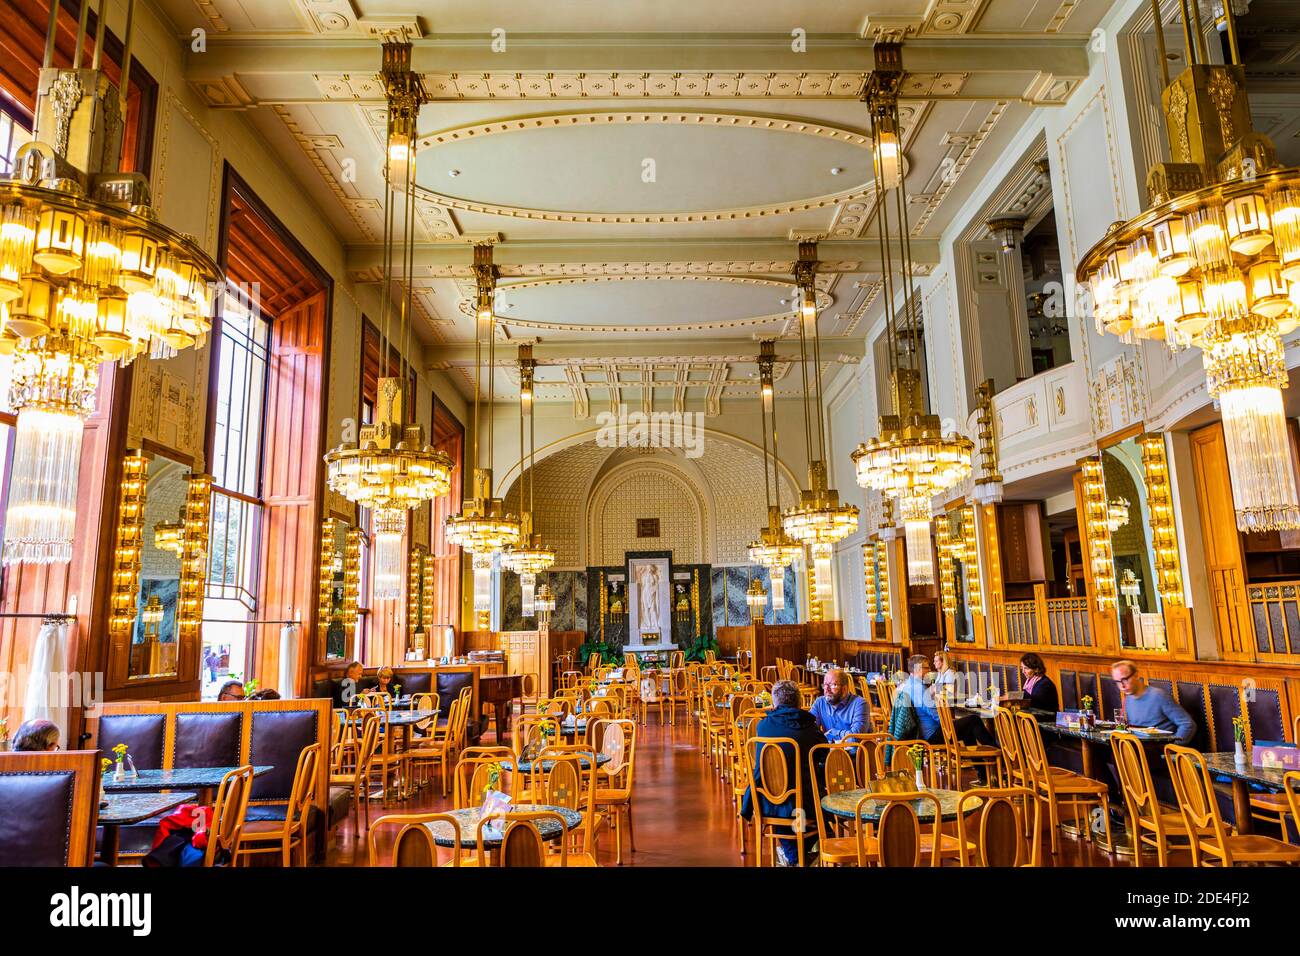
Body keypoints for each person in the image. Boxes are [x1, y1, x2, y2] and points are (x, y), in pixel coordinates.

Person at [739, 679, 827, 866]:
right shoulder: (811, 729)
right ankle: (802, 854)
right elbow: (824, 753)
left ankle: (795, 856)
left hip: (770, 800)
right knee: (805, 797)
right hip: (805, 803)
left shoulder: (762, 727)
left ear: (775, 703)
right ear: (799, 702)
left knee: (785, 802)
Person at [1111, 659, 1195, 744]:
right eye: (1117, 682)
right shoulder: (1127, 699)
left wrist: (1173, 749)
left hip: (1159, 749)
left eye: (1125, 680)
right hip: (1139, 749)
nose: (1122, 686)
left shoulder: (1159, 696)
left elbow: (1188, 724)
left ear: (1136, 675)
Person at [888, 655, 944, 746]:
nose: (929, 670)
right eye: (927, 667)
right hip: (930, 735)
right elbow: (936, 715)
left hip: (921, 732)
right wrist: (949, 721)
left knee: (967, 727)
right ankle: (968, 757)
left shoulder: (908, 685)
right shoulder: (918, 688)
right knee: (973, 720)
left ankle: (967, 757)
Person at [810, 668, 869, 742]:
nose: (827, 689)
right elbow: (810, 730)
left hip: (856, 752)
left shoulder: (860, 704)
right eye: (825, 685)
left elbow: (855, 737)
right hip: (831, 752)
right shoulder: (820, 702)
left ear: (844, 689)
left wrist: (833, 732)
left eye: (833, 685)